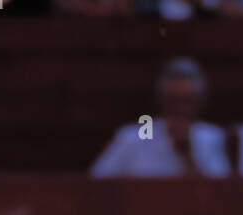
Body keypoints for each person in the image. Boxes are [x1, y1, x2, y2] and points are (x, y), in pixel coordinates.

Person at [90, 57, 231, 178]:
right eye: (175, 100)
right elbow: (96, 184)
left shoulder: (212, 137)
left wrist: (186, 152)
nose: (180, 110)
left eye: (187, 101)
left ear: (198, 102)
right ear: (162, 100)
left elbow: (217, 194)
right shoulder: (132, 138)